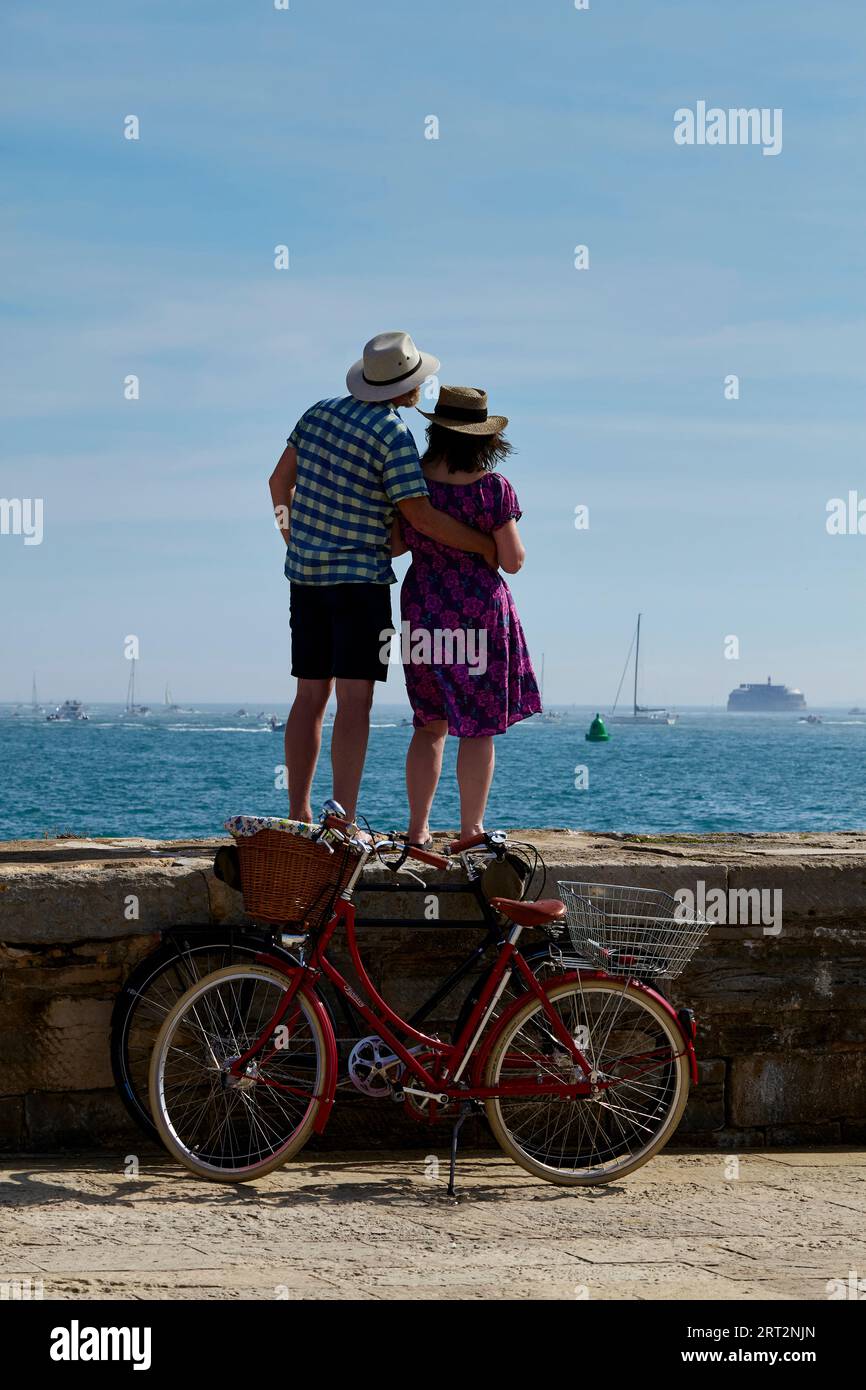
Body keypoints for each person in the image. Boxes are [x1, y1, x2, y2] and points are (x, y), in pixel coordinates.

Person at [268, 333, 498, 823]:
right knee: (355, 703)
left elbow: (277, 483)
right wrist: (484, 545)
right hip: (361, 585)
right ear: (405, 387)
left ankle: (299, 812)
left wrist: (291, 537)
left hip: (305, 579)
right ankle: (342, 817)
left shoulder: (317, 413)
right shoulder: (393, 435)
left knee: (309, 697)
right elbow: (421, 517)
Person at [391, 385, 541, 846]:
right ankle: (471, 829)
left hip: (424, 606)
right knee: (478, 728)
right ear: (483, 439)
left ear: (437, 432)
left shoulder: (412, 482)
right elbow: (512, 561)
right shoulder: (493, 490)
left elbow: (396, 546)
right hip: (479, 612)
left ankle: (418, 831)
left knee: (429, 724)